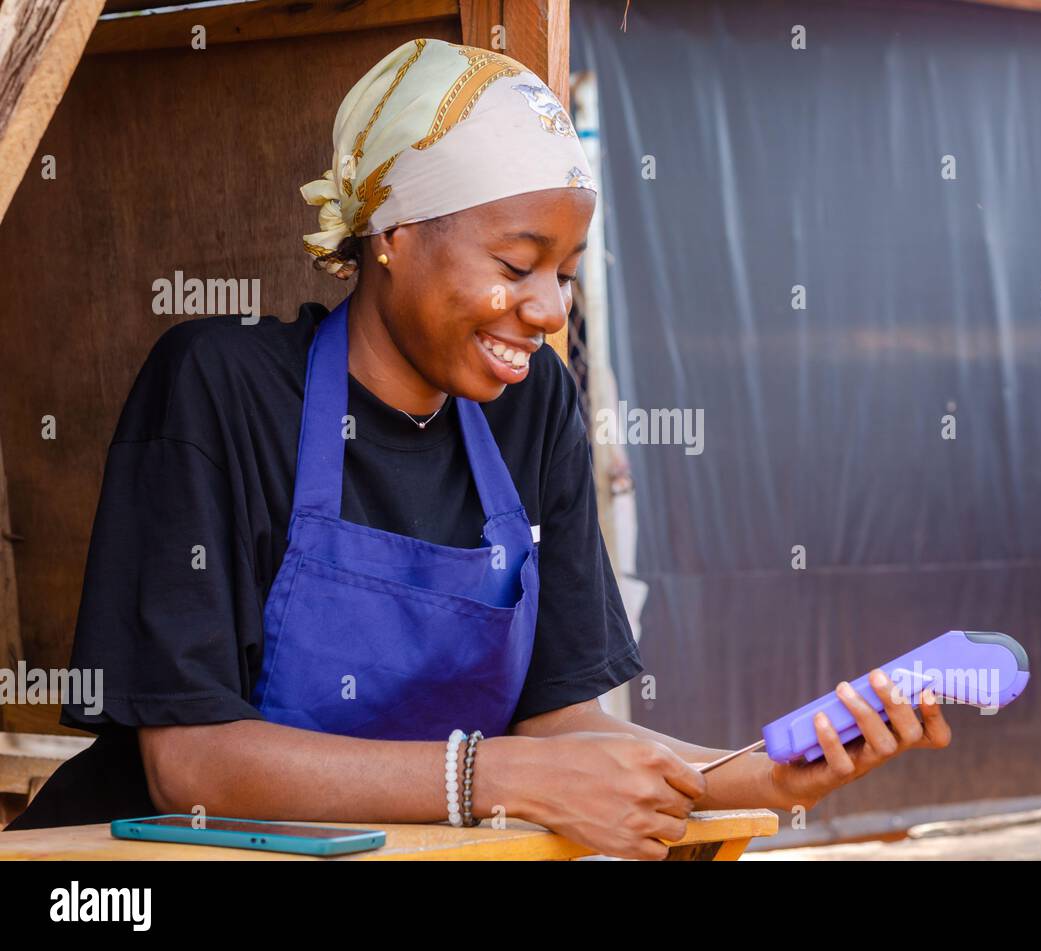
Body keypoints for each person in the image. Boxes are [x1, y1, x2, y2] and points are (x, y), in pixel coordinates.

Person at [5, 38, 951, 859]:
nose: (548, 311)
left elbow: (561, 726)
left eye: (567, 275)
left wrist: (763, 775)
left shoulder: (533, 408)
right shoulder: (222, 384)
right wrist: (500, 779)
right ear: (397, 234)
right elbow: (189, 764)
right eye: (515, 265)